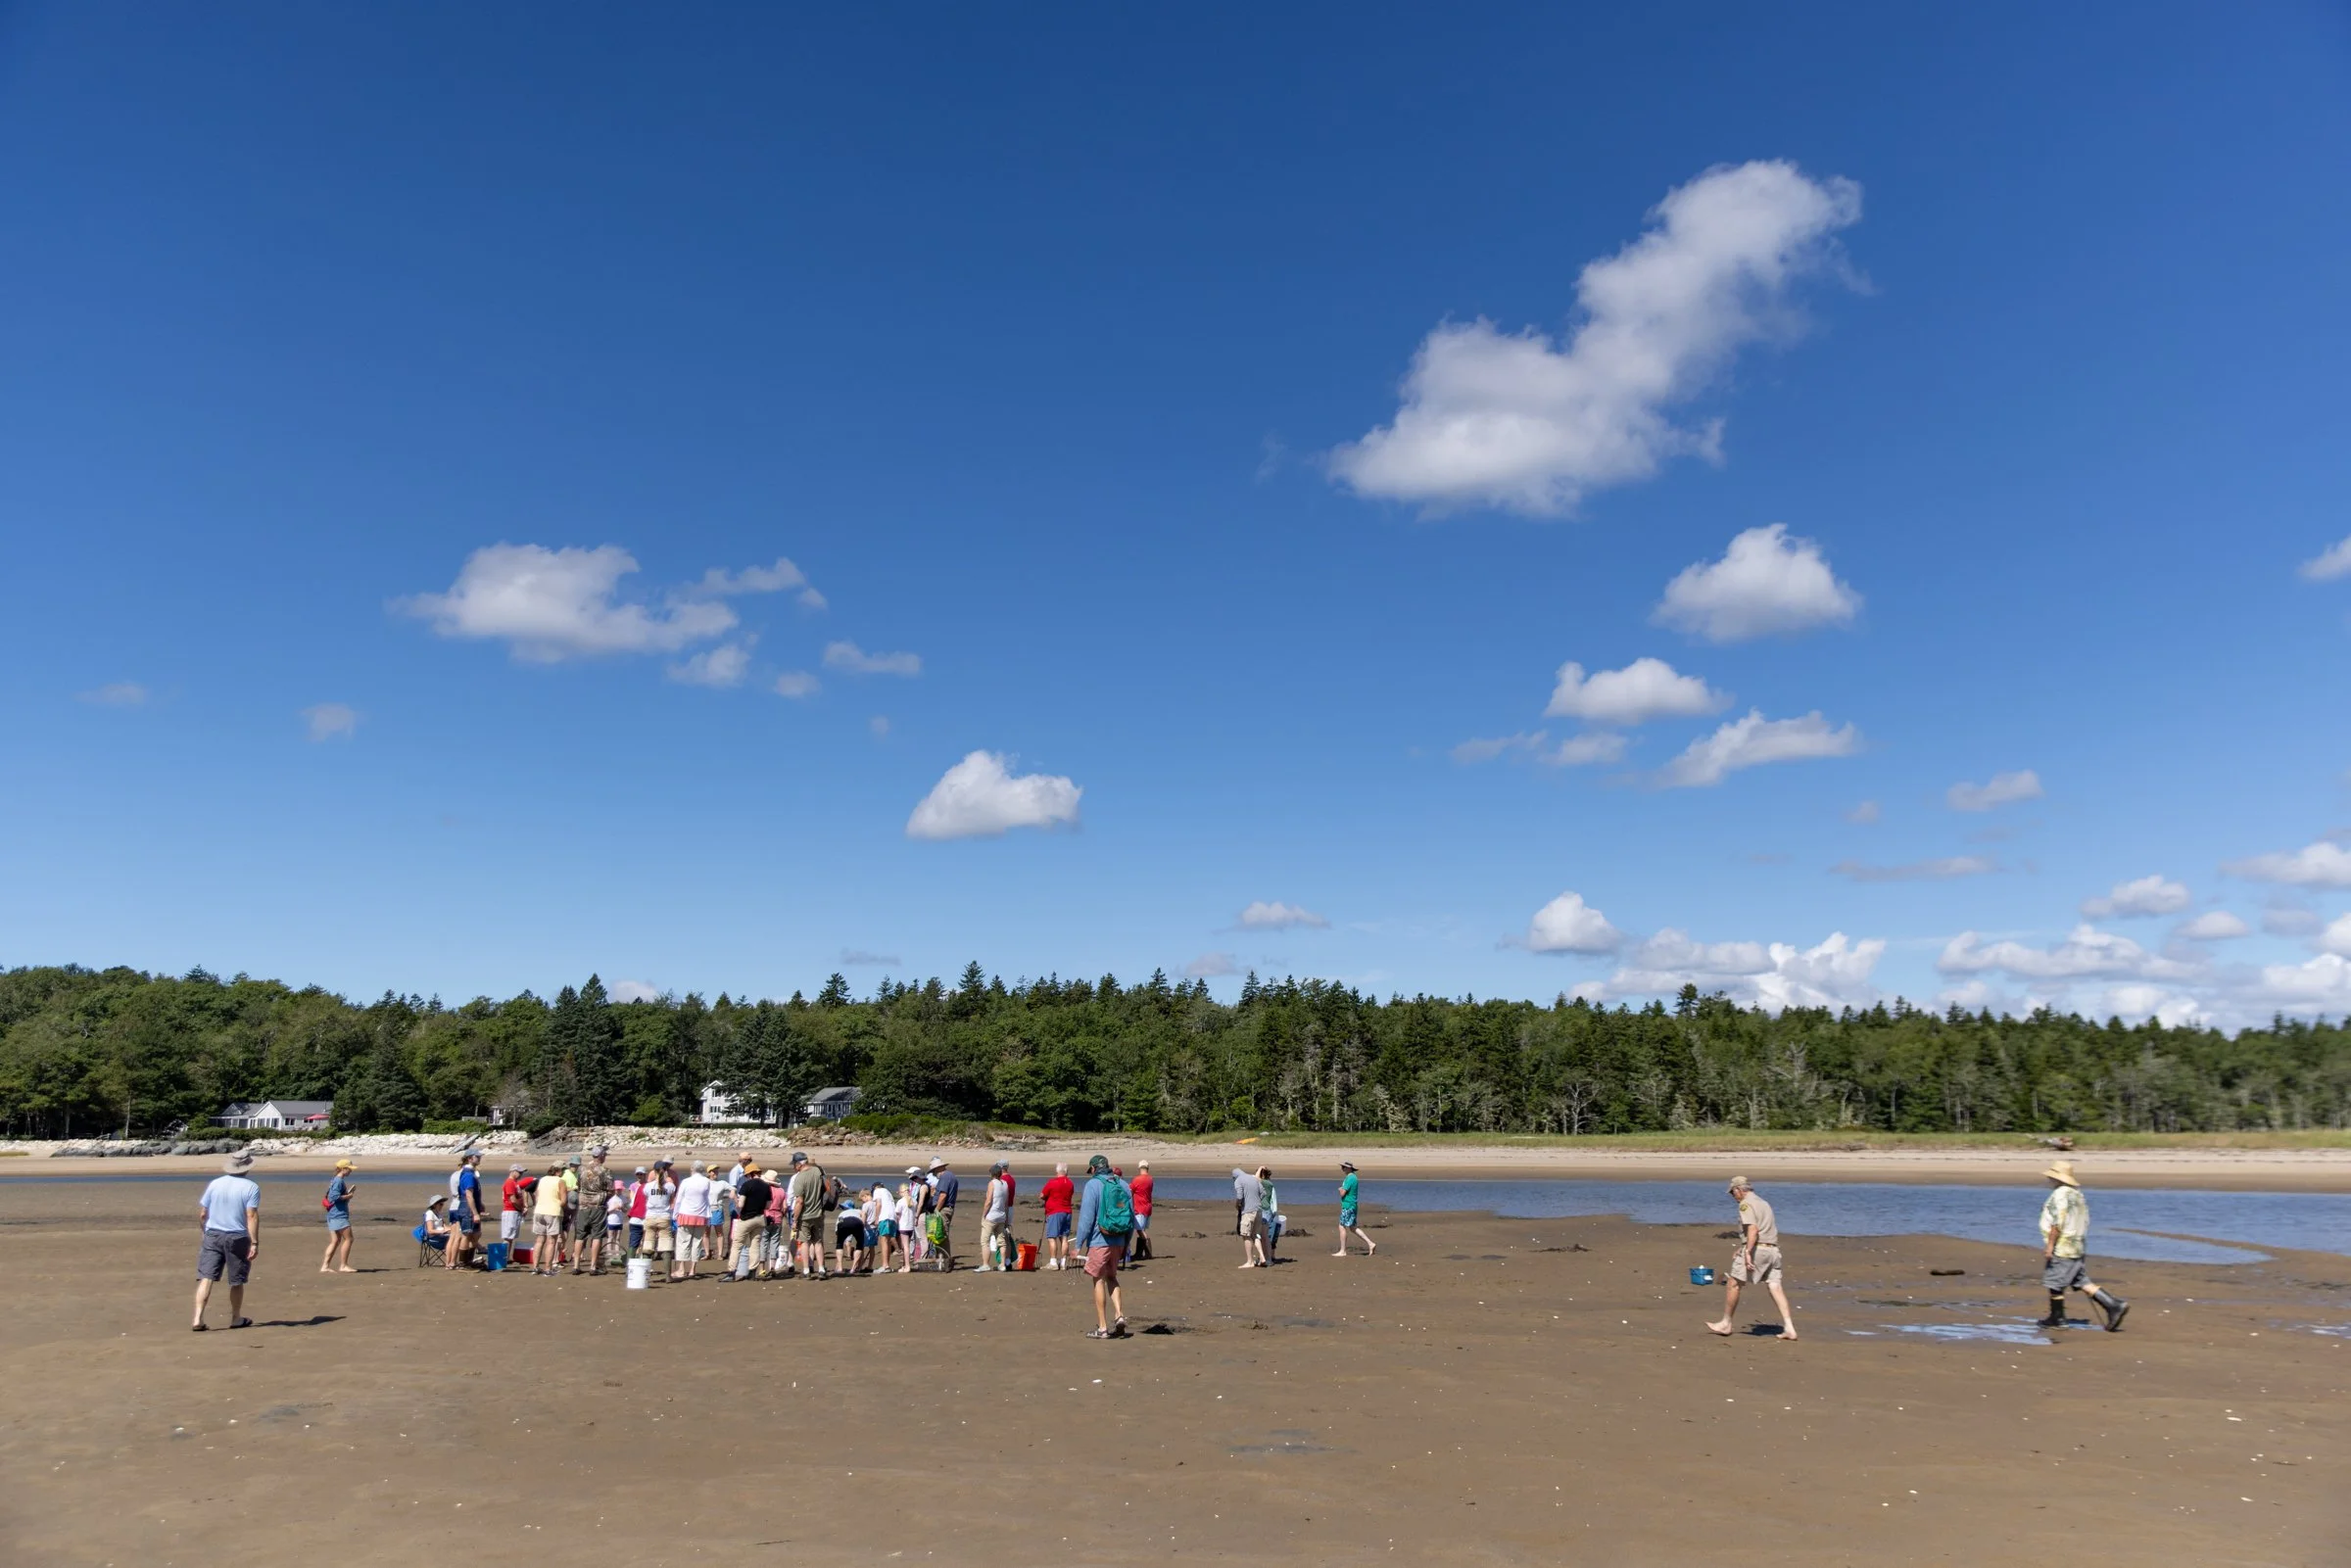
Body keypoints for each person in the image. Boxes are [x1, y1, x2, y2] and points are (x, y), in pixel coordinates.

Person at [2039, 1161, 2129, 1331]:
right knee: (2080, 1280)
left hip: (2064, 1246)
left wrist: (2050, 1245)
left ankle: (2056, 1318)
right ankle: (2113, 1305)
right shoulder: (2077, 1194)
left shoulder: (2059, 1195)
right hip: (2077, 1244)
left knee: (2055, 1283)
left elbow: (2057, 1223)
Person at [1705, 1176, 1798, 1341]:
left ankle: (1726, 1323)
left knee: (1734, 1283)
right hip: (1773, 1250)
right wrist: (1743, 1247)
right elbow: (1764, 1228)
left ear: (1738, 1190)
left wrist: (1747, 1252)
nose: (1733, 1197)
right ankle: (1789, 1327)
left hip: (1758, 1250)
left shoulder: (1745, 1205)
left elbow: (1753, 1230)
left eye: (1733, 1193)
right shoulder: (1764, 1203)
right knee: (1775, 1286)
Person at [193, 1152, 262, 1331]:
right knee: (236, 1280)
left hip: (213, 1234)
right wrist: (254, 1242)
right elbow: (251, 1215)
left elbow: (202, 1214)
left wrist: (204, 1232)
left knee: (206, 1278)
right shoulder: (251, 1187)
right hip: (237, 1236)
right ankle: (236, 1318)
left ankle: (197, 1318)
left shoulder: (215, 1184)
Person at [1072, 1155, 1134, 1339]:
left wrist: (1078, 1245)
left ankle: (1102, 1328)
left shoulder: (1093, 1185)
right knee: (1112, 1278)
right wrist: (1126, 1243)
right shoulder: (1122, 1184)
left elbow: (1086, 1218)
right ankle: (1119, 1315)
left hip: (1100, 1240)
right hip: (1119, 1239)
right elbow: (1130, 1218)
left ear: (1093, 1169)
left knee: (1098, 1280)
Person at [572, 1146, 615, 1276]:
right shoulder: (605, 1171)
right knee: (597, 1236)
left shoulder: (582, 1169)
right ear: (601, 1156)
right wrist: (604, 1198)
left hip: (583, 1206)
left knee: (580, 1236)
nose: (605, 1157)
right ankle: (593, 1266)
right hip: (598, 1206)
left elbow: (578, 1186)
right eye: (605, 1155)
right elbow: (611, 1190)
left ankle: (576, 1265)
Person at [787, 1152, 830, 1279]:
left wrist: (795, 1219)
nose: (794, 1167)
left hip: (805, 1215)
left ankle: (806, 1270)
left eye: (794, 1165)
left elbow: (799, 1201)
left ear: (799, 1164)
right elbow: (827, 1187)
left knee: (804, 1242)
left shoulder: (799, 1178)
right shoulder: (818, 1171)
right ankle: (821, 1269)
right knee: (818, 1241)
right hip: (818, 1213)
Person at [731, 1162, 772, 1280]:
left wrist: (735, 1200)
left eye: (746, 1175)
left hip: (746, 1218)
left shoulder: (746, 1185)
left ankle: (731, 1272)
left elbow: (741, 1204)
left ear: (750, 1174)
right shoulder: (766, 1186)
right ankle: (752, 1272)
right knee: (755, 1245)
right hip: (760, 1218)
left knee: (737, 1245)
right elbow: (768, 1206)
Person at [445, 1151, 485, 1270]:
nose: (479, 1159)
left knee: (474, 1234)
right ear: (469, 1159)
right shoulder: (467, 1175)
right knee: (465, 1234)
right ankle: (462, 1263)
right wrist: (475, 1213)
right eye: (477, 1157)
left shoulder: (468, 1174)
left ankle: (466, 1261)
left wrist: (480, 1205)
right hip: (466, 1208)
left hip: (466, 1206)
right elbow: (468, 1195)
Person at [675, 1161, 714, 1281]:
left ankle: (681, 1269)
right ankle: (692, 1269)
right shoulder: (707, 1181)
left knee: (683, 1242)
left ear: (692, 1169)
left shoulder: (686, 1181)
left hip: (686, 1214)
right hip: (701, 1215)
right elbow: (707, 1198)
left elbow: (679, 1199)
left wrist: (675, 1214)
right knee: (697, 1243)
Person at [530, 1160, 568, 1275]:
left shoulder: (543, 1179)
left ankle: (535, 1267)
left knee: (539, 1240)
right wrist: (560, 1206)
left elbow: (537, 1195)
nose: (564, 1172)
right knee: (551, 1242)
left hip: (539, 1211)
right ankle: (548, 1268)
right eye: (563, 1170)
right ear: (559, 1170)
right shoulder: (560, 1181)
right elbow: (564, 1200)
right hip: (553, 1212)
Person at [319, 1157, 358, 1273]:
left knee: (335, 1241)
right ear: (343, 1168)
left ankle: (325, 1266)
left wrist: (346, 1196)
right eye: (349, 1169)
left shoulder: (335, 1180)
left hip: (333, 1215)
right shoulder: (338, 1181)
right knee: (349, 1239)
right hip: (338, 1215)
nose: (351, 1171)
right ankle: (343, 1265)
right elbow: (333, 1197)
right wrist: (348, 1196)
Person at [640, 1160, 677, 1272]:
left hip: (650, 1217)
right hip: (664, 1217)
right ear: (665, 1171)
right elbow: (672, 1200)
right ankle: (667, 1275)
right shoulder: (670, 1186)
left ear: (654, 1171)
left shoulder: (648, 1186)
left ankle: (645, 1272)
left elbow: (646, 1197)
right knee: (666, 1247)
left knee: (648, 1245)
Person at [1333, 1161, 1377, 1256]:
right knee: (1353, 1228)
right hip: (1352, 1205)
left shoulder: (1350, 1178)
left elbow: (1343, 1193)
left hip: (1348, 1205)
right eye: (1342, 1167)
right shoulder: (1353, 1177)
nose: (1342, 1169)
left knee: (1342, 1226)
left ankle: (1343, 1251)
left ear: (1349, 1168)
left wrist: (1340, 1189)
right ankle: (1370, 1243)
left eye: (1344, 1167)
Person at [977, 1161, 1013, 1271]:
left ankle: (986, 1264)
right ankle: (1002, 1264)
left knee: (985, 1241)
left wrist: (983, 1215)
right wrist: (1006, 1218)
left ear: (992, 1174)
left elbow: (988, 1201)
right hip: (1001, 1216)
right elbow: (1006, 1204)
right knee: (1001, 1242)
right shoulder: (1005, 1184)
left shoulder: (992, 1183)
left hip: (991, 1216)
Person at [1040, 1163, 1077, 1270]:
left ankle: (1053, 1262)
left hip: (1055, 1211)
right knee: (1064, 1237)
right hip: (1067, 1212)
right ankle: (1063, 1263)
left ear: (1057, 1172)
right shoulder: (1070, 1183)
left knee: (1052, 1237)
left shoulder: (1053, 1182)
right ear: (1066, 1172)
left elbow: (1042, 1195)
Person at [1232, 1166, 1268, 1268]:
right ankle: (1262, 1257)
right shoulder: (1253, 1178)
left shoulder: (1238, 1180)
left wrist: (1238, 1205)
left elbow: (1239, 1197)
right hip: (1258, 1210)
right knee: (1255, 1235)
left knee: (1245, 1235)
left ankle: (1250, 1262)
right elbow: (1264, 1193)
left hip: (1248, 1211)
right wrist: (1256, 1201)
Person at [928, 1159, 959, 1270]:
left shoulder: (945, 1177)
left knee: (942, 1235)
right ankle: (942, 1261)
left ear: (938, 1168)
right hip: (946, 1208)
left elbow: (943, 1195)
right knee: (940, 1235)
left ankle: (945, 1262)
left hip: (944, 1209)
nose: (934, 1174)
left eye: (934, 1172)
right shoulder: (950, 1176)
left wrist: (937, 1209)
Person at [833, 1189, 869, 1275]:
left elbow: (838, 1225)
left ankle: (840, 1267)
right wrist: (863, 1224)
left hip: (844, 1222)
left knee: (839, 1245)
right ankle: (853, 1269)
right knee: (859, 1245)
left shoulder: (842, 1214)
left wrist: (839, 1237)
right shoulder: (857, 1211)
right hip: (857, 1222)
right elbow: (864, 1213)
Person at [869, 1182, 900, 1273]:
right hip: (892, 1218)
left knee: (884, 1241)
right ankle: (887, 1265)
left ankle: (885, 1266)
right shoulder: (888, 1192)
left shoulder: (877, 1190)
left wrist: (876, 1218)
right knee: (888, 1241)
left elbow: (878, 1204)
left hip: (885, 1217)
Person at [1128, 1160, 1154, 1263]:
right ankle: (1140, 1253)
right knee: (1141, 1229)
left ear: (1139, 1168)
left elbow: (1129, 1190)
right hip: (1147, 1206)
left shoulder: (1137, 1179)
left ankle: (1147, 1253)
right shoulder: (1150, 1179)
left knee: (1139, 1230)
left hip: (1140, 1207)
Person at [500, 1163, 528, 1253]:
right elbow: (513, 1200)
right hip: (510, 1211)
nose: (521, 1175)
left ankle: (506, 1257)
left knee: (511, 1236)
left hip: (514, 1212)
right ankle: (503, 1257)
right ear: (513, 1171)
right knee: (508, 1236)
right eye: (519, 1172)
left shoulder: (514, 1183)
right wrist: (521, 1208)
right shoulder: (510, 1182)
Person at [1258, 1166, 1282, 1260]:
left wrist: (1260, 1168)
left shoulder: (1263, 1183)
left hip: (1265, 1211)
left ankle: (1265, 1257)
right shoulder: (1270, 1184)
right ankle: (1271, 1256)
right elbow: (1274, 1199)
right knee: (1270, 1235)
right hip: (1270, 1211)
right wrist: (1274, 1211)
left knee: (1263, 1236)